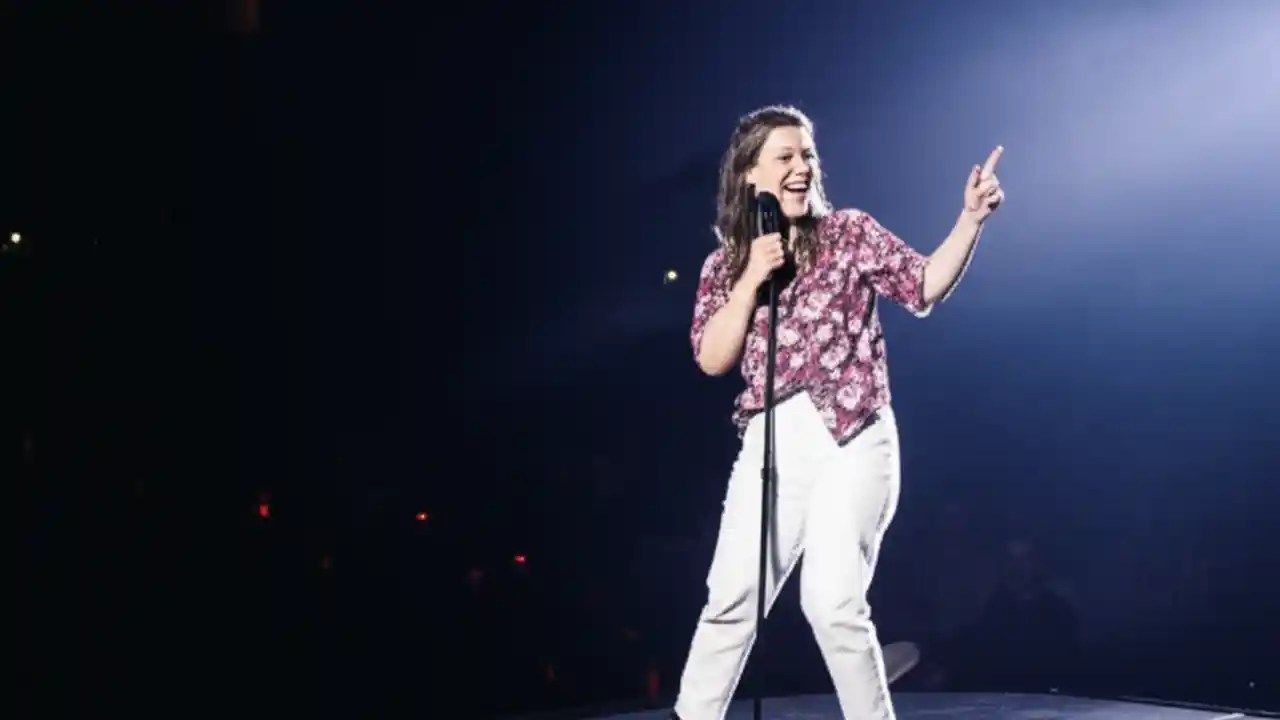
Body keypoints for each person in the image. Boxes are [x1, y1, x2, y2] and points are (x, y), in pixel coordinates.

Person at [671, 105, 1005, 720]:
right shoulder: (725, 268)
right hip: (774, 442)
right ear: (750, 174)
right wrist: (751, 278)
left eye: (807, 156)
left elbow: (923, 284)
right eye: (785, 157)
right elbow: (712, 358)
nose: (801, 168)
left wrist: (970, 220)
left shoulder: (848, 233)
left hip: (855, 435)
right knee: (730, 600)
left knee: (831, 602)